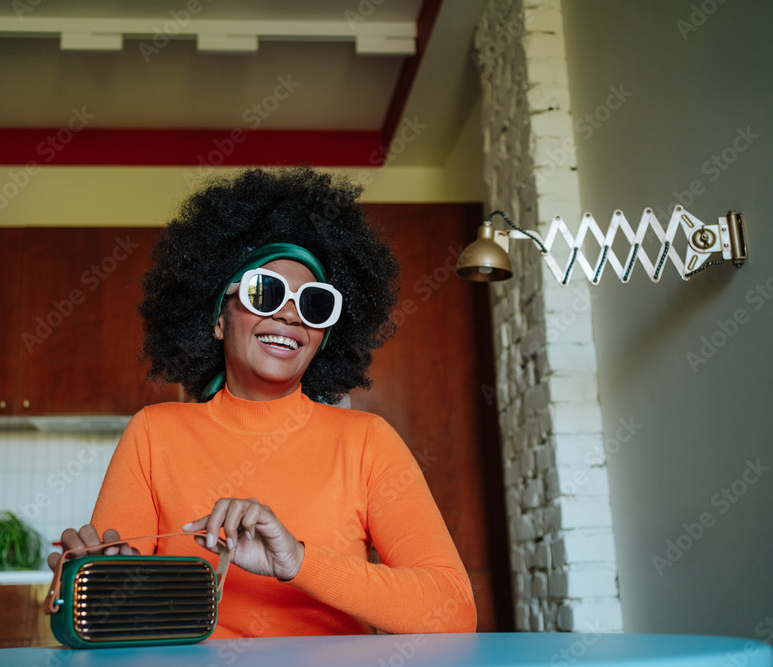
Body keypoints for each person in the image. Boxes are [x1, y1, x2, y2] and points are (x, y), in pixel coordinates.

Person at [48, 167, 477, 636]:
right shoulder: (154, 433)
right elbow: (110, 625)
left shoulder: (368, 442)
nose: (290, 314)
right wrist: (91, 585)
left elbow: (453, 612)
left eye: (314, 304)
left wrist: (299, 561)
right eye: (263, 292)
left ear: (324, 335)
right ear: (217, 318)